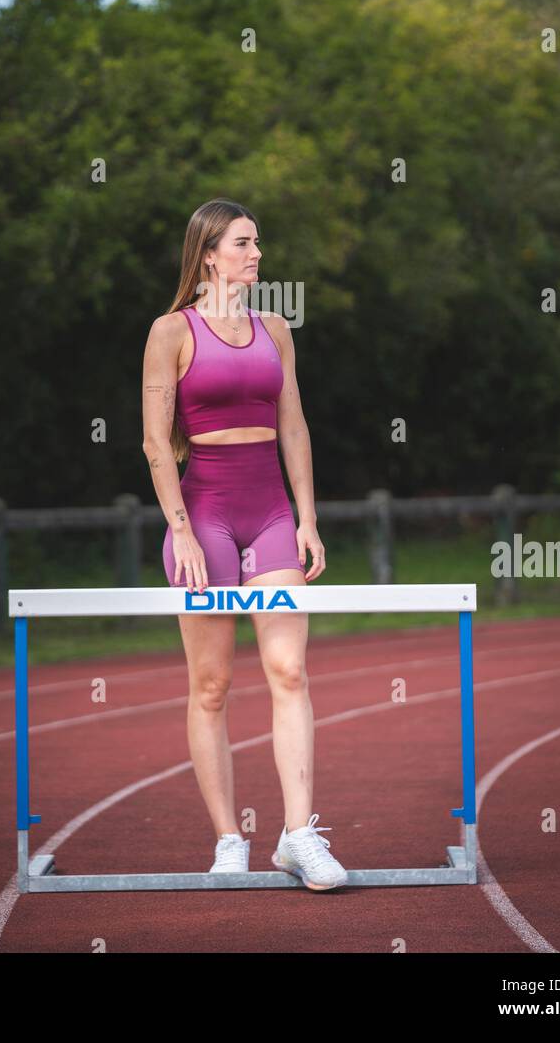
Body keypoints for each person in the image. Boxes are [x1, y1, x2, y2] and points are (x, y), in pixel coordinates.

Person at [141, 197, 348, 891]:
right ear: (208, 254)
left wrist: (308, 519)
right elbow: (154, 442)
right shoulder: (171, 331)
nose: (257, 253)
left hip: (270, 515)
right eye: (243, 243)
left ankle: (297, 836)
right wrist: (180, 531)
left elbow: (294, 427)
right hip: (204, 519)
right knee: (212, 685)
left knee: (289, 671)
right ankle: (230, 838)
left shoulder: (276, 329)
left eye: (258, 242)